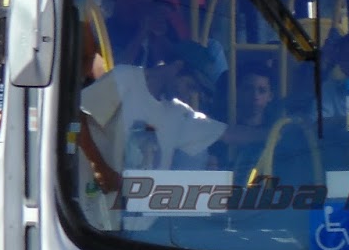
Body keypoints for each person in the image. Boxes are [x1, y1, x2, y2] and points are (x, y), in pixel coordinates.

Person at [77, 39, 258, 198]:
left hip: (141, 226)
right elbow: (79, 119)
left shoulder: (178, 112)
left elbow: (228, 134)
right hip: (97, 211)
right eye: (189, 85)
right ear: (177, 67)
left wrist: (274, 133)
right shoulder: (125, 78)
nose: (189, 95)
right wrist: (100, 168)